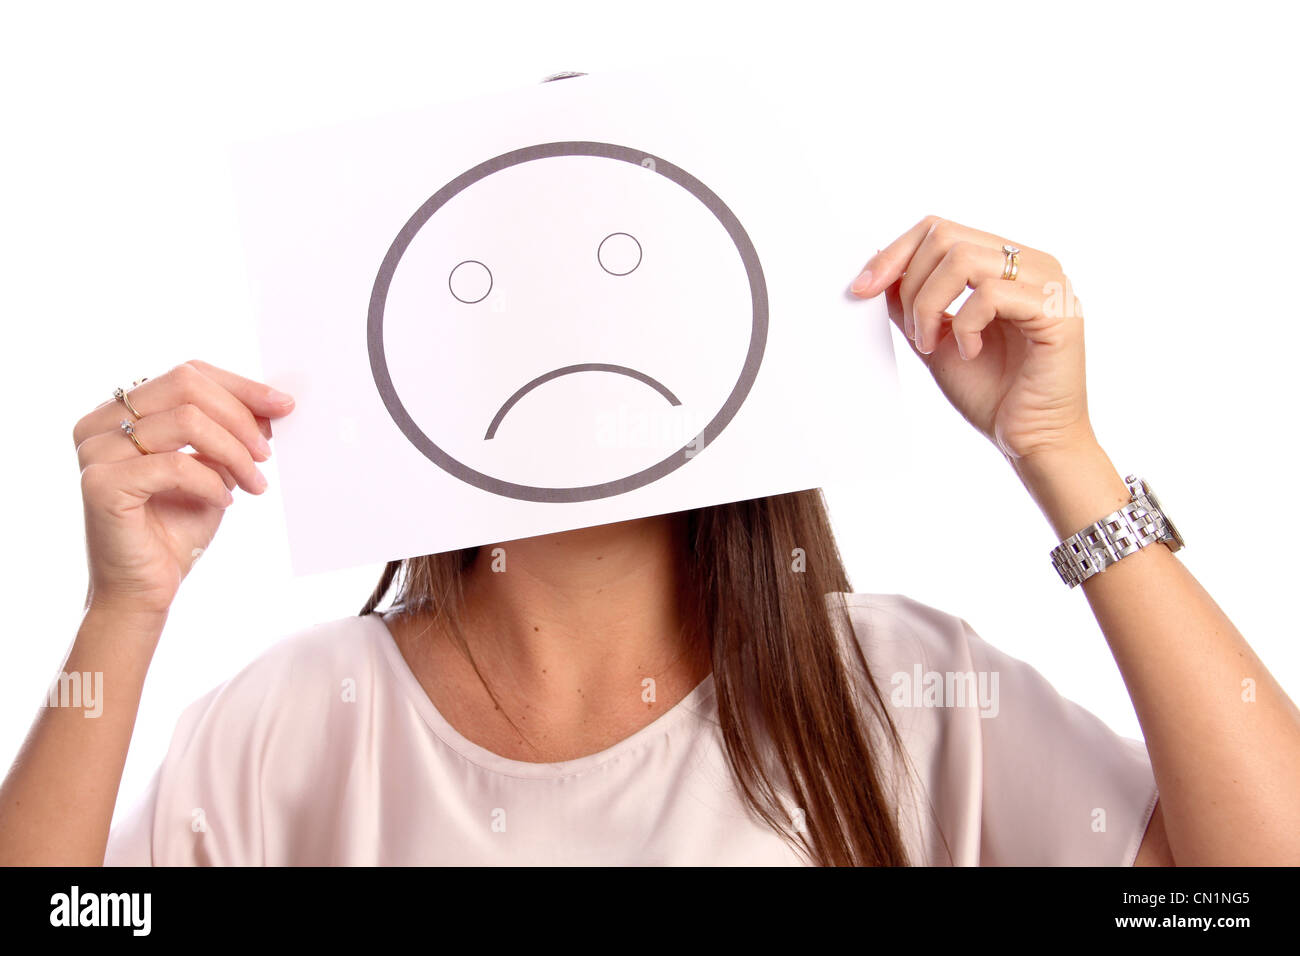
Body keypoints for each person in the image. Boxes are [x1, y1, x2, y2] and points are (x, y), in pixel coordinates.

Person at [2, 216, 1296, 866]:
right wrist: (125, 610)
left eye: (626, 264)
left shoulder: (905, 696)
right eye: (500, 273)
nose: (568, 323)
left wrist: (1060, 452)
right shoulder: (291, 723)